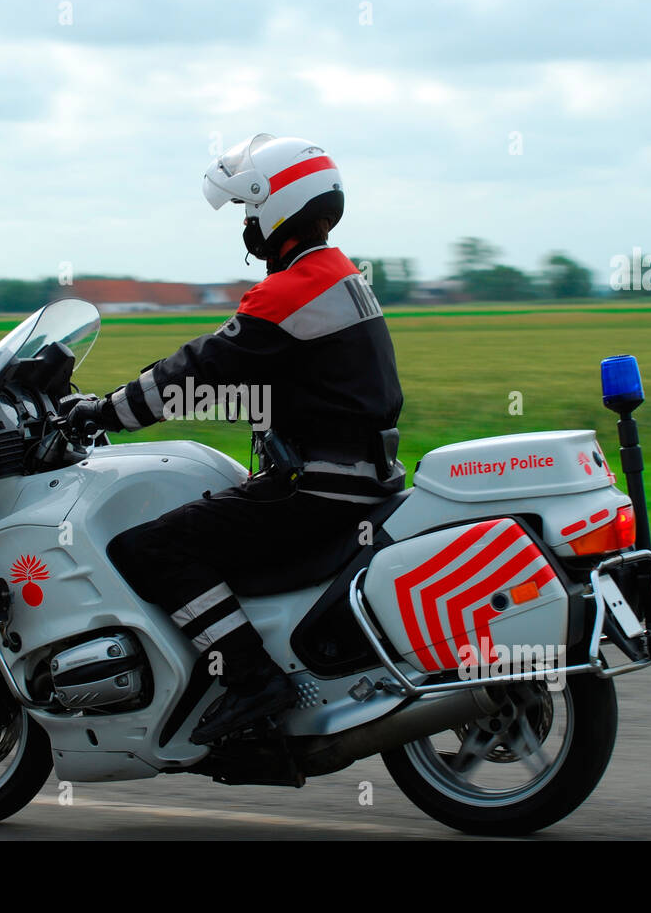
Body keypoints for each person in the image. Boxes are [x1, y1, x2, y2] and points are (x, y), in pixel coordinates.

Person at [65, 133, 404, 745]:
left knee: (150, 550)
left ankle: (251, 680)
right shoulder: (338, 276)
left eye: (251, 210)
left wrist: (102, 413)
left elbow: (198, 368)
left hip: (320, 490)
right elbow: (256, 381)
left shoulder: (292, 289)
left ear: (280, 205)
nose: (248, 226)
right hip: (356, 478)